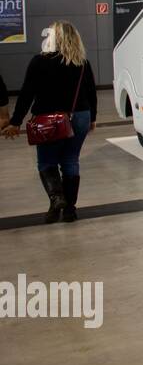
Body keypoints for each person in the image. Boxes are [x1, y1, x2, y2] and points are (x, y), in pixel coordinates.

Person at [2, 21, 97, 223]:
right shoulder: (82, 62)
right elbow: (91, 93)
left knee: (46, 162)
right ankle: (69, 210)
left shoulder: (39, 61)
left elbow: (26, 94)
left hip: (48, 120)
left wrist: (15, 121)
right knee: (71, 160)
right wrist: (93, 118)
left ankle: (57, 199)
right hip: (79, 116)